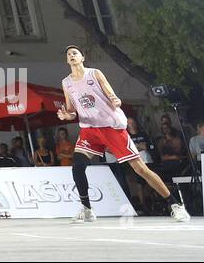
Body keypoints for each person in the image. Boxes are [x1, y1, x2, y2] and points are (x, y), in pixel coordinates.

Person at [58, 45, 188, 223]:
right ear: (67, 61)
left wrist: (115, 99)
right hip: (89, 129)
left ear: (82, 57)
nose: (71, 55)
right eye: (68, 54)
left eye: (75, 53)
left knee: (140, 169)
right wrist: (67, 115)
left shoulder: (94, 74)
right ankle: (87, 209)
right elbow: (72, 110)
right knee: (78, 167)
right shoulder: (67, 82)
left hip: (111, 127)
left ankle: (175, 205)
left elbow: (110, 93)